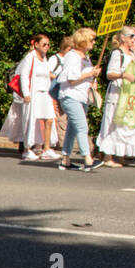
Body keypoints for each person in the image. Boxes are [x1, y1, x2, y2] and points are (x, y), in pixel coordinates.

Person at [97, 26, 135, 167]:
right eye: (131, 36)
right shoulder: (117, 53)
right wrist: (124, 75)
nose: (134, 39)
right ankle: (108, 156)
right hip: (117, 94)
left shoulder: (132, 54)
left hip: (130, 95)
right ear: (123, 38)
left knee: (133, 125)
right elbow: (110, 74)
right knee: (113, 125)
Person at [57, 27, 102, 171]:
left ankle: (65, 159)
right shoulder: (72, 56)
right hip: (71, 95)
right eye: (91, 40)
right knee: (82, 126)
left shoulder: (86, 58)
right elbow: (72, 79)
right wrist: (90, 73)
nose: (93, 43)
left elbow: (85, 76)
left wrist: (92, 79)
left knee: (72, 128)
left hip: (81, 96)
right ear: (82, 41)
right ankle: (87, 159)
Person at [17, 33, 58, 161]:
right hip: (33, 93)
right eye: (44, 44)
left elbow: (47, 75)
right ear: (36, 44)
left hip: (45, 93)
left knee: (49, 119)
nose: (47, 47)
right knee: (31, 120)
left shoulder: (44, 58)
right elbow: (24, 76)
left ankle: (46, 148)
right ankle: (27, 149)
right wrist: (26, 93)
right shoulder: (30, 58)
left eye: (48, 44)